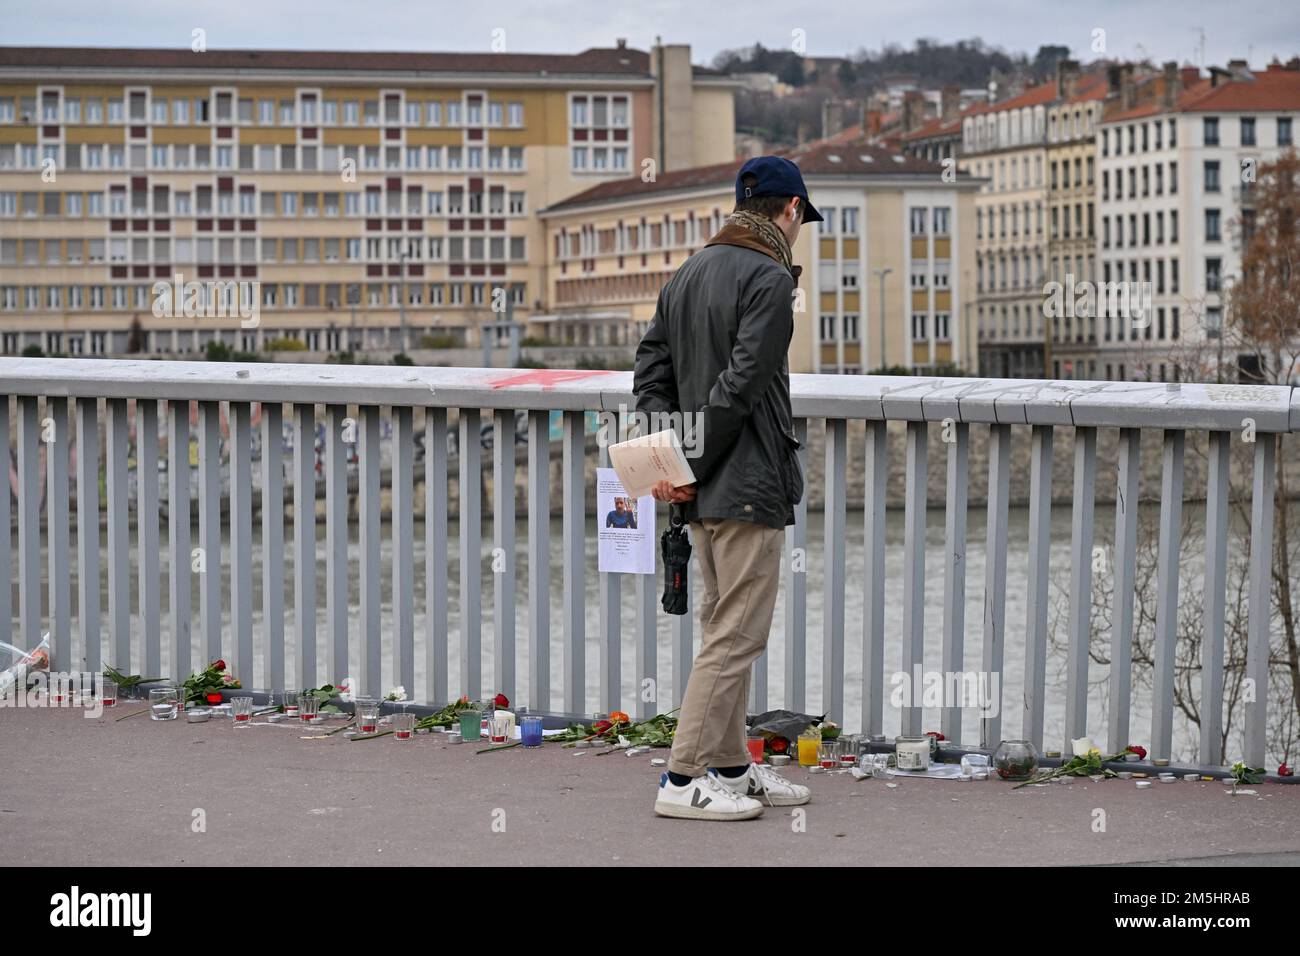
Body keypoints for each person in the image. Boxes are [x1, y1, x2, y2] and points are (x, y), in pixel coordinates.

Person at [633, 156, 817, 821]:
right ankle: (681, 782)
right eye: (802, 219)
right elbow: (738, 390)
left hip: (700, 489)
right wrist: (691, 466)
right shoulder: (770, 279)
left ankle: (733, 769)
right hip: (744, 481)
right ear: (790, 210)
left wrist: (666, 464)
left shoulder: (687, 273)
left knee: (721, 630)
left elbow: (650, 371)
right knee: (735, 636)